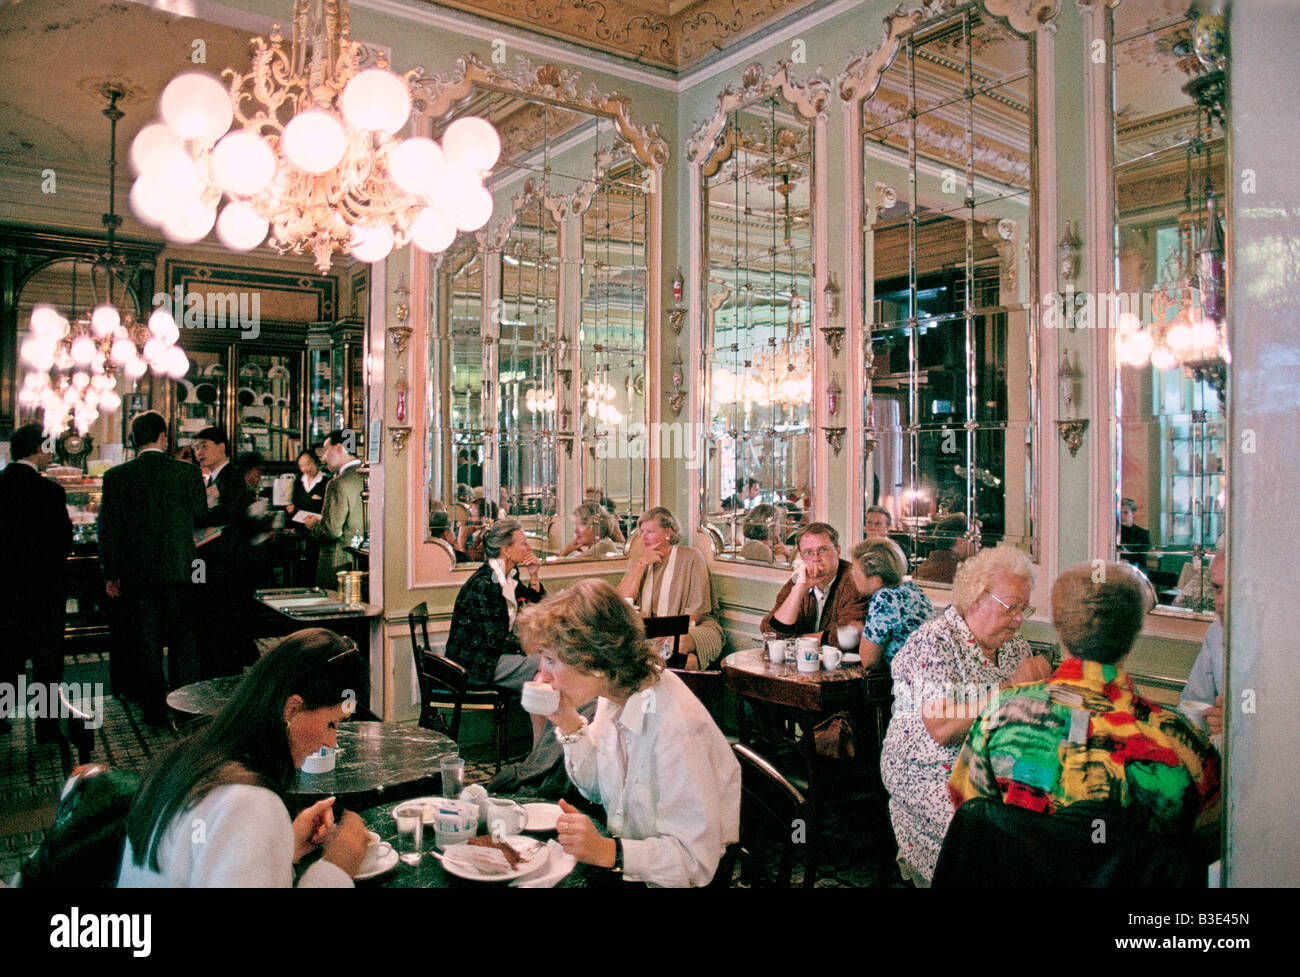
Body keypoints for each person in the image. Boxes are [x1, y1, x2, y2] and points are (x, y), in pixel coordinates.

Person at [950, 562, 1220, 831]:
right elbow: (1205, 835)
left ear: (1060, 629)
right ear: (1135, 633)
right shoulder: (1178, 738)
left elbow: (968, 810)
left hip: (1022, 873)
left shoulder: (999, 716)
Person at [520, 579, 740, 887]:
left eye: (551, 659)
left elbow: (694, 862)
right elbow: (597, 787)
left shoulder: (674, 727)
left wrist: (608, 851)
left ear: (594, 661)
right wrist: (569, 722)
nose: (542, 674)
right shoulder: (617, 695)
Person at [118, 628, 369, 887]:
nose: (332, 741)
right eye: (331, 723)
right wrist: (336, 868)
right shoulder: (249, 802)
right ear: (292, 709)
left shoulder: (188, 756)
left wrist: (282, 845)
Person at [880, 545, 1051, 886]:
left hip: (996, 767)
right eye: (1011, 608)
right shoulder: (932, 642)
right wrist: (1010, 688)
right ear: (975, 599)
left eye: (1024, 608)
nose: (1018, 619)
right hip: (930, 771)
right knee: (988, 841)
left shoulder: (1015, 646)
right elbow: (942, 727)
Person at [98, 412, 207, 725]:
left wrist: (111, 573)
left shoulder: (116, 476)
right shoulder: (187, 473)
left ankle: (154, 711)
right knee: (183, 644)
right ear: (164, 437)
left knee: (146, 646)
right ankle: (186, 711)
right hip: (180, 570)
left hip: (137, 576)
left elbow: (108, 529)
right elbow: (200, 516)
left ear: (134, 440)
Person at [0, 424, 72, 741]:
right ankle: (46, 725)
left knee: (5, 659)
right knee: (46, 663)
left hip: (5, 592)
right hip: (44, 592)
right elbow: (63, 542)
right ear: (39, 450)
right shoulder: (50, 492)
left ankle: (0, 717)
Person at [444, 519, 546, 735]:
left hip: (492, 656)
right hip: (476, 664)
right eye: (524, 543)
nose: (528, 548)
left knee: (542, 678)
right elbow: (495, 640)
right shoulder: (485, 584)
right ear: (506, 550)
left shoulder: (509, 577)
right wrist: (530, 652)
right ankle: (543, 750)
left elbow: (533, 607)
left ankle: (541, 749)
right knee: (546, 667)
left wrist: (534, 574)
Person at [617, 507, 725, 670]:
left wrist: (666, 631)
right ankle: (683, 670)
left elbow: (697, 614)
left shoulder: (691, 557)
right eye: (642, 531)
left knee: (676, 642)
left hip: (695, 626)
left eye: (650, 531)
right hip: (650, 627)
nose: (644, 537)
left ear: (667, 532)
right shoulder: (641, 559)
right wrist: (641, 565)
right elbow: (621, 601)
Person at [759, 522, 871, 647]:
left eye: (822, 550)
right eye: (808, 552)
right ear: (802, 556)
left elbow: (847, 636)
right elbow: (771, 631)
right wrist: (800, 589)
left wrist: (797, 639)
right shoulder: (800, 580)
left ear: (837, 551)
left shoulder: (856, 581)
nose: (816, 558)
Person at [848, 537, 935, 667]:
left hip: (904, 682)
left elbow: (868, 661)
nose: (852, 576)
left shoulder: (885, 599)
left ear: (876, 580)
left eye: (855, 572)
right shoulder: (915, 590)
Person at [302, 430, 365, 589]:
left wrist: (314, 526)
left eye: (325, 451)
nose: (323, 458)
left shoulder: (337, 483)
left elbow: (331, 531)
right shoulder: (369, 475)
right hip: (364, 560)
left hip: (338, 563)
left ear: (338, 448)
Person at [1180, 550, 1226, 740]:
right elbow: (1193, 703)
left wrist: (1240, 724)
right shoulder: (1217, 632)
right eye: (1218, 589)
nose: (1221, 602)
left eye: (1235, 589)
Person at [914, 513, 980, 584]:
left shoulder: (925, 567)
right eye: (976, 540)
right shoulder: (957, 573)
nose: (979, 545)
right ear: (960, 541)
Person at [286, 448, 329, 517]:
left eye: (308, 464)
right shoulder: (298, 482)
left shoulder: (327, 482)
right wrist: (292, 508)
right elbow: (295, 504)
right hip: (299, 524)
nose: (304, 469)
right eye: (301, 466)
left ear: (316, 462)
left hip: (318, 525)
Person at [1118, 497, 1152, 567]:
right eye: (1120, 513)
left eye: (1125, 513)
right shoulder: (1115, 533)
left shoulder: (1143, 534)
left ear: (1133, 514)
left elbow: (1141, 557)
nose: (1122, 516)